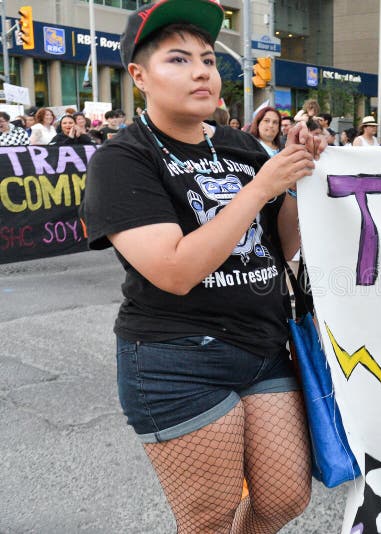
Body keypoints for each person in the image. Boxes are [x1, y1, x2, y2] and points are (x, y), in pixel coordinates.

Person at [79, 1, 325, 531]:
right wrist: (261, 187)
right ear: (139, 75)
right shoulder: (122, 160)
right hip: (175, 359)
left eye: (209, 60)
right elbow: (173, 270)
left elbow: (283, 245)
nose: (200, 71)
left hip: (264, 346)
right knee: (209, 519)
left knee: (285, 500)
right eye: (178, 60)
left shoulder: (242, 148)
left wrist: (302, 179)